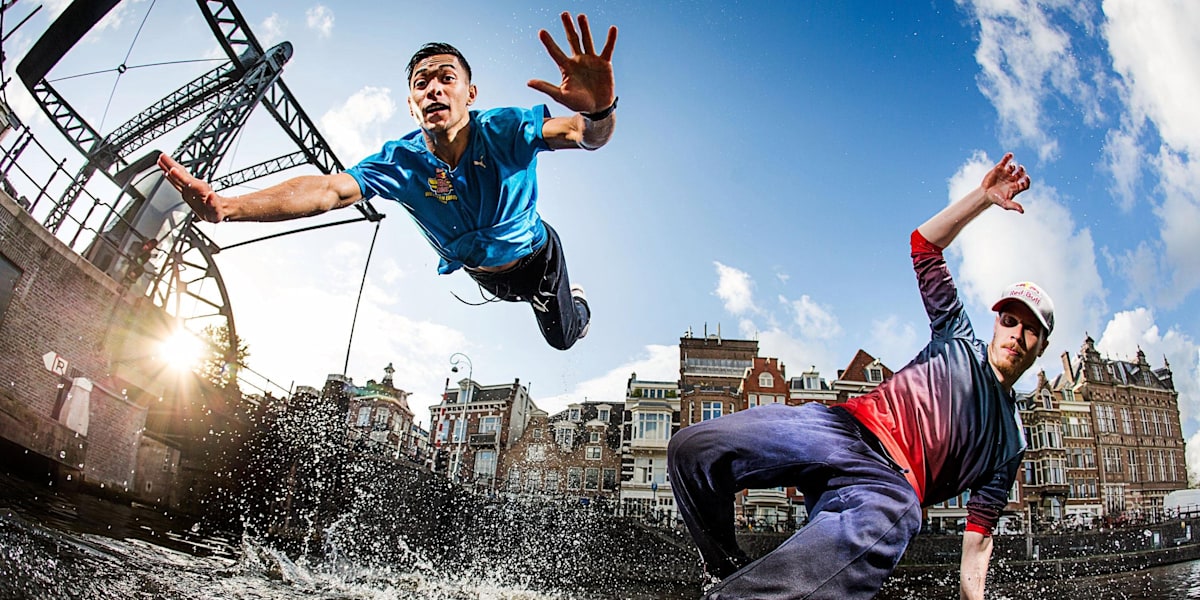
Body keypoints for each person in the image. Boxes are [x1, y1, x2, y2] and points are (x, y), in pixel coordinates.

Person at [667, 153, 1052, 600]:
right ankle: (725, 571)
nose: (1017, 335)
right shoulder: (958, 336)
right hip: (837, 427)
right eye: (1010, 321)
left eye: (1031, 331)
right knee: (691, 450)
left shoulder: (1011, 443)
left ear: (1040, 346)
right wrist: (983, 198)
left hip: (889, 486)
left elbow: (978, 539)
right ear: (997, 322)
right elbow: (924, 245)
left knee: (887, 519)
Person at [158, 12, 618, 351]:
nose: (434, 88)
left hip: (537, 261)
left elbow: (581, 134)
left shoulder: (504, 129)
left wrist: (599, 110)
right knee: (504, 295)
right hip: (483, 275)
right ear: (411, 103)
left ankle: (577, 307)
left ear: (469, 93)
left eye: (446, 78)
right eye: (422, 83)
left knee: (561, 339)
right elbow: (329, 191)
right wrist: (228, 207)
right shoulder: (400, 160)